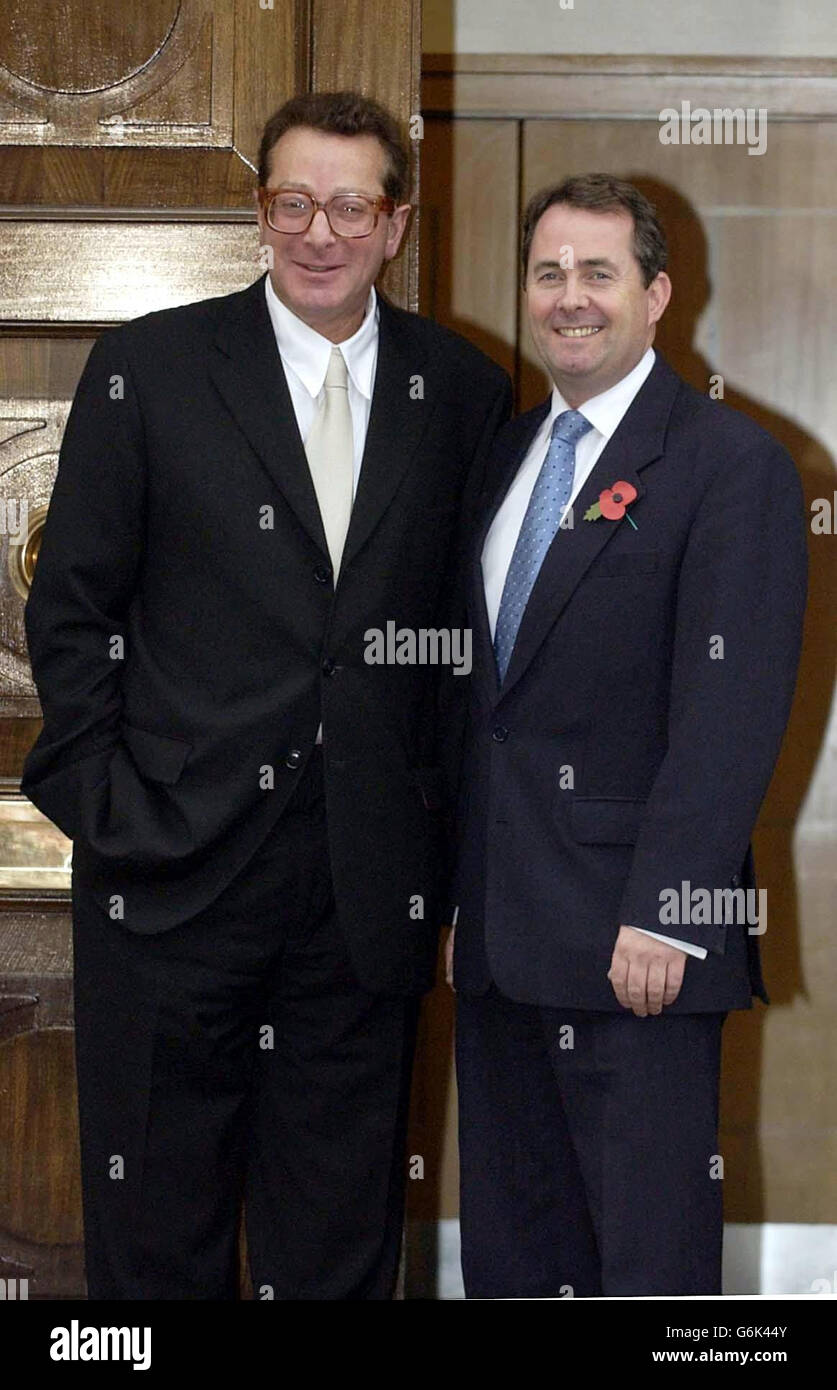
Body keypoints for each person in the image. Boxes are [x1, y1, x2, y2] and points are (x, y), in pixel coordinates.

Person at [22, 90, 511, 1300]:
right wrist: (111, 806)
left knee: (338, 1237)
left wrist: (450, 873)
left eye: (352, 205)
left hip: (363, 892)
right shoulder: (151, 367)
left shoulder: (462, 394)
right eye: (294, 201)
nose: (321, 233)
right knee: (156, 1235)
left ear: (395, 225)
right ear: (260, 212)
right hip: (170, 877)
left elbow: (465, 652)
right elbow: (69, 613)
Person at [445, 173, 807, 1298]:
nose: (569, 298)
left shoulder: (729, 464)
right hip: (502, 946)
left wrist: (670, 910)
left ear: (657, 294)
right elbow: (482, 710)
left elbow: (730, 711)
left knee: (645, 1263)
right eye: (548, 272)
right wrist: (461, 899)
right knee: (515, 1253)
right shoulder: (503, 458)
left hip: (632, 948)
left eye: (598, 272)